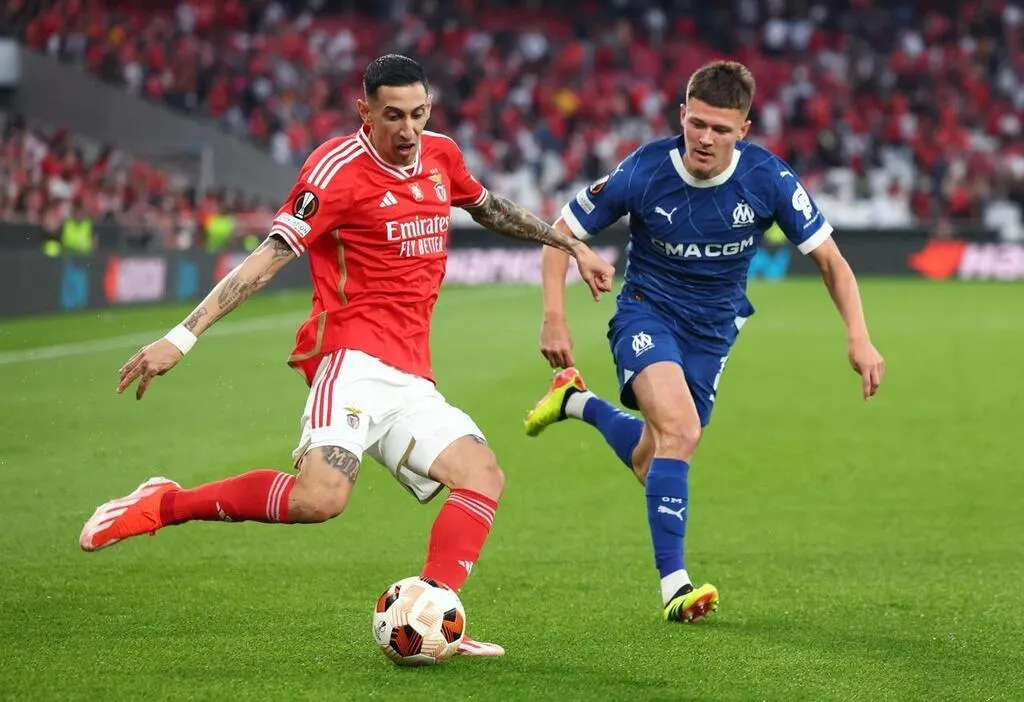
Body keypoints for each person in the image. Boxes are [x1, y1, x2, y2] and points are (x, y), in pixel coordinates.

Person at [80, 54, 615, 657]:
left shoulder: (441, 154)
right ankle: (163, 504)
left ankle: (430, 612)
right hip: (350, 359)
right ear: (365, 110)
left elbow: (488, 207)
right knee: (320, 500)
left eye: (418, 114)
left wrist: (570, 245)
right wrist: (183, 336)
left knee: (483, 475)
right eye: (393, 116)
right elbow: (269, 256)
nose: (408, 130)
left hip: (412, 373)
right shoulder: (335, 171)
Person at [523, 60, 885, 624]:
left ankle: (575, 401)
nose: (705, 139)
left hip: (713, 333)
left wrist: (859, 337)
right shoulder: (645, 170)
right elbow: (558, 234)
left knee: (655, 460)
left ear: (743, 130)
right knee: (683, 433)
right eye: (697, 124)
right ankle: (675, 587)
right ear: (682, 116)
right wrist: (554, 316)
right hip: (646, 315)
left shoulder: (768, 178)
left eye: (720, 129)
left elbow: (832, 263)